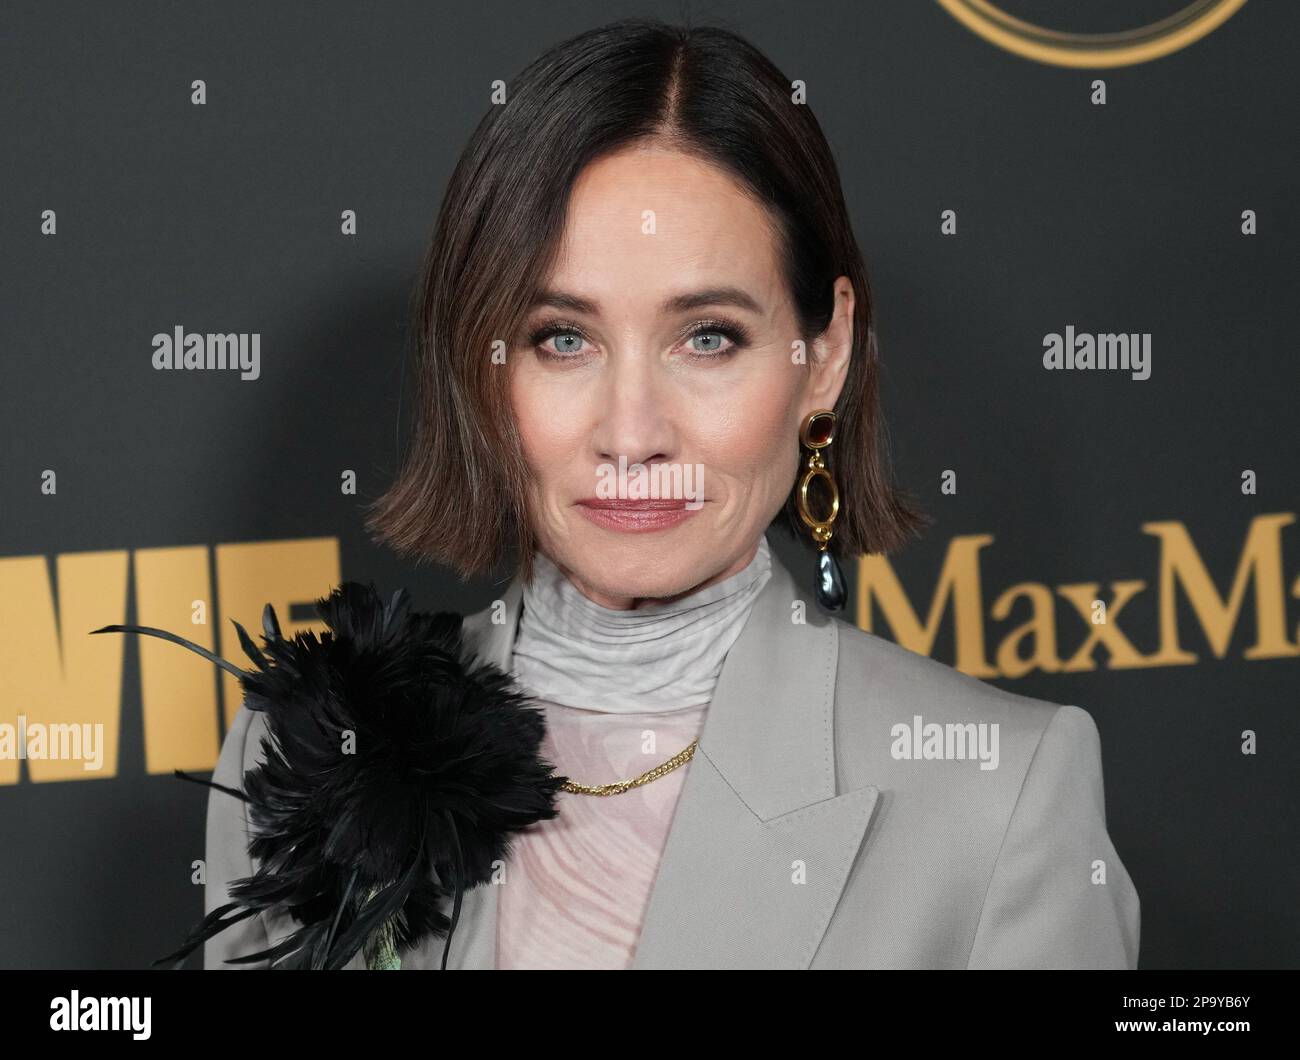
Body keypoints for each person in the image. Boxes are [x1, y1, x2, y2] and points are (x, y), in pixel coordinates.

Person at [205, 18, 1139, 969]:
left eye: (708, 338)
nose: (633, 435)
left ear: (826, 356)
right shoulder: (303, 747)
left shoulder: (999, 794)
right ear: (481, 366)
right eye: (562, 338)